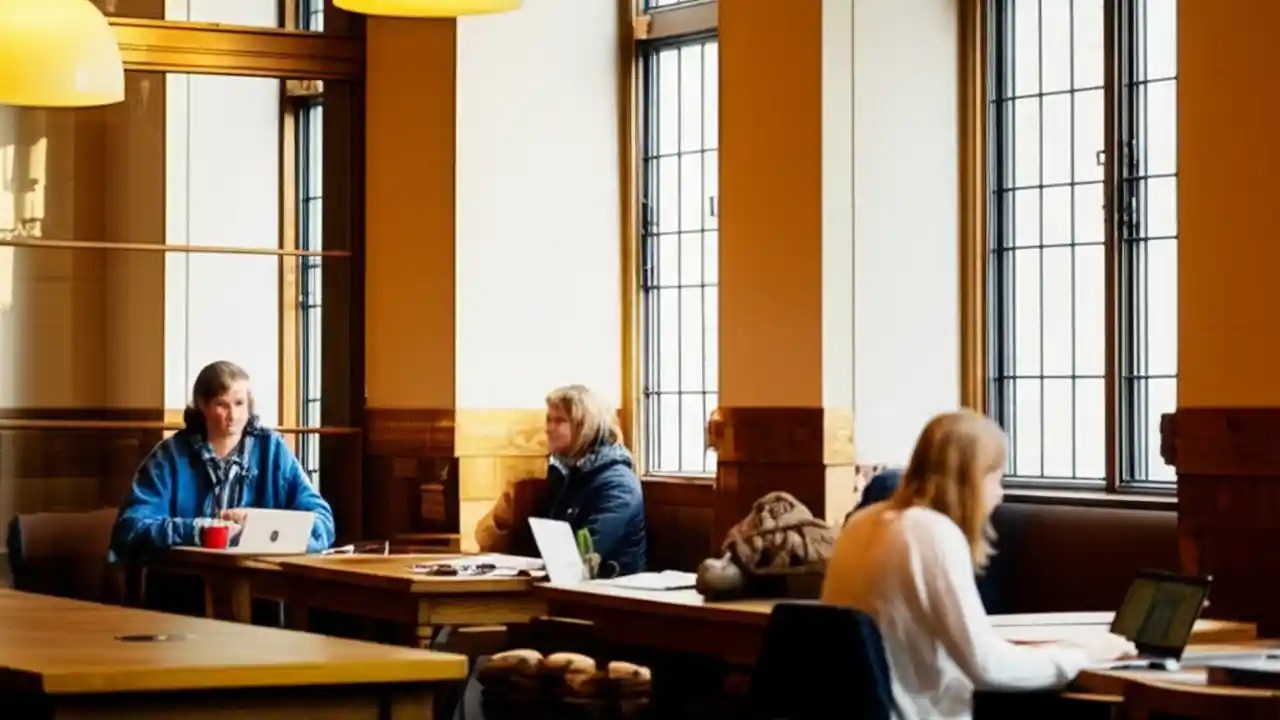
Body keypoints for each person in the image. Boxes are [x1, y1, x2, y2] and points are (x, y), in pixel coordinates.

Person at [820, 410, 1134, 719]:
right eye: (996, 479)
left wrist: (1059, 651)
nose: (999, 495)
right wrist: (1081, 656)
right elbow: (986, 666)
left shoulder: (861, 523)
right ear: (971, 480)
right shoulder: (930, 533)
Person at [110, 360, 335, 561]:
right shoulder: (169, 456)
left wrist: (260, 523)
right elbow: (131, 527)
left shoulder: (273, 451)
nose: (233, 415)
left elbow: (322, 523)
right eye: (222, 404)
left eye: (239, 404)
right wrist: (200, 532)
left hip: (262, 587)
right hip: (184, 584)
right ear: (202, 405)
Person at [476, 385, 646, 576]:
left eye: (559, 421)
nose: (549, 428)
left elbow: (585, 553)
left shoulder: (618, 484)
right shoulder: (568, 475)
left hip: (610, 594)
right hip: (571, 586)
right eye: (548, 419)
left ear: (585, 427)